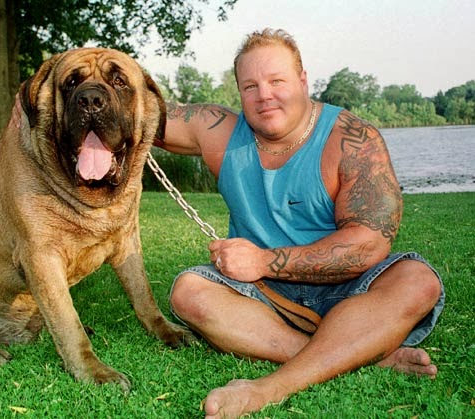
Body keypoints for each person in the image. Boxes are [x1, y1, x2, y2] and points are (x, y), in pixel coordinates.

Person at [155, 28, 445, 419]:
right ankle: (360, 354)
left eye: (277, 81)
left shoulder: (352, 138)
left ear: (303, 80)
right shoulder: (220, 131)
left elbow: (369, 245)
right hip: (263, 297)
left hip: (350, 287)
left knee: (418, 280)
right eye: (250, 86)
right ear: (239, 92)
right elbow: (139, 112)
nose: (264, 95)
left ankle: (268, 388)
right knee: (188, 292)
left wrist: (263, 260)